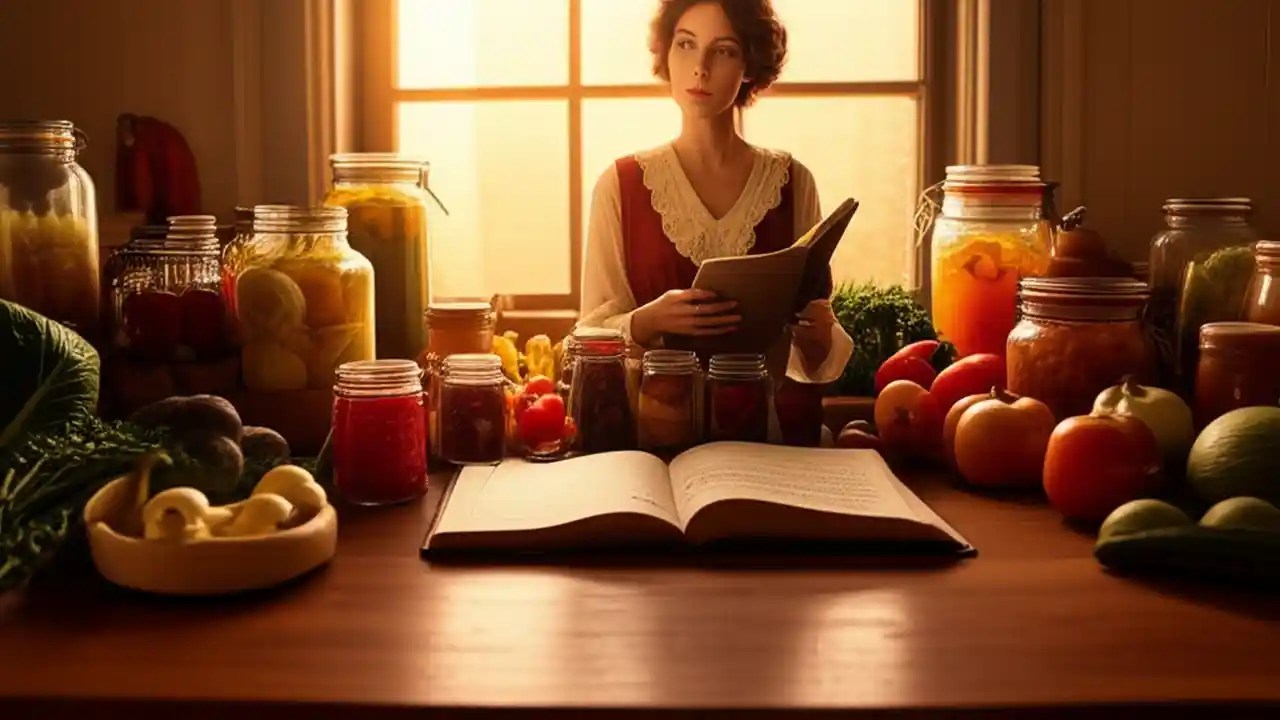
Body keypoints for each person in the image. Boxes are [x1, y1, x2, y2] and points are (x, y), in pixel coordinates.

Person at [578, 0, 854, 443]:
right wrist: (649, 320)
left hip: (766, 442)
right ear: (665, 54)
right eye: (686, 45)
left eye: (723, 51)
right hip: (647, 440)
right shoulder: (619, 183)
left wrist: (818, 330)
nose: (699, 68)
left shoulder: (793, 182)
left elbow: (816, 340)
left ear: (750, 65)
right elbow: (589, 338)